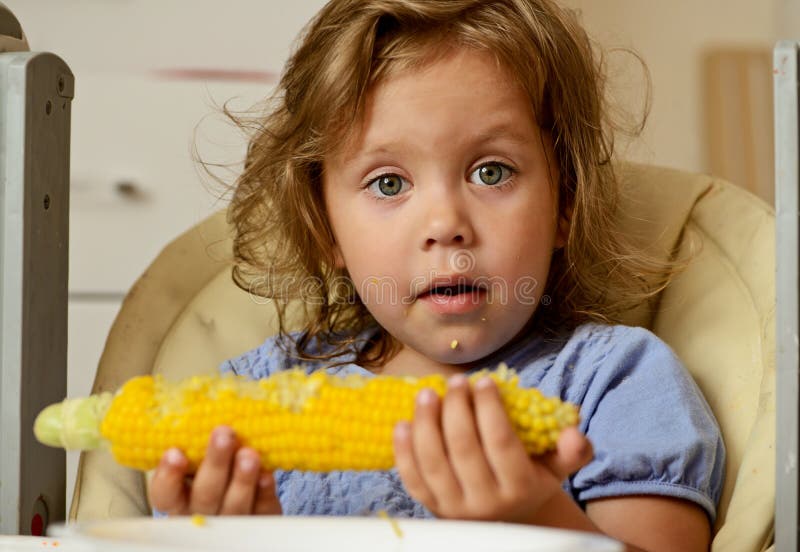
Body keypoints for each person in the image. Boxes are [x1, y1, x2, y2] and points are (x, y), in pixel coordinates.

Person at [148, 0, 725, 549]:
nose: (446, 224)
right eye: (389, 183)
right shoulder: (250, 400)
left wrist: (537, 519)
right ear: (325, 227)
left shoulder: (613, 385)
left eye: (491, 171)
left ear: (564, 202)